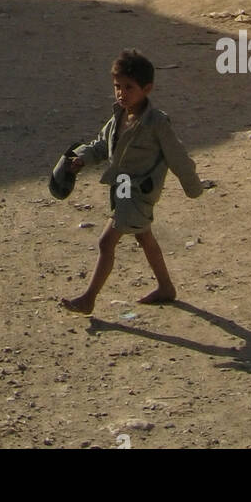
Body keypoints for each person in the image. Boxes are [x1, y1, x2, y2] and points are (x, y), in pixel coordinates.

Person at [60, 48, 203, 314]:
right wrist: (81, 159)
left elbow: (178, 156)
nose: (121, 93)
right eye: (117, 86)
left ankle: (89, 298)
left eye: (129, 87)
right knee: (144, 237)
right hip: (121, 189)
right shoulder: (119, 117)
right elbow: (102, 145)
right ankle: (166, 287)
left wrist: (193, 187)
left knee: (106, 242)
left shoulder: (157, 123)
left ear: (147, 89)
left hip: (139, 192)